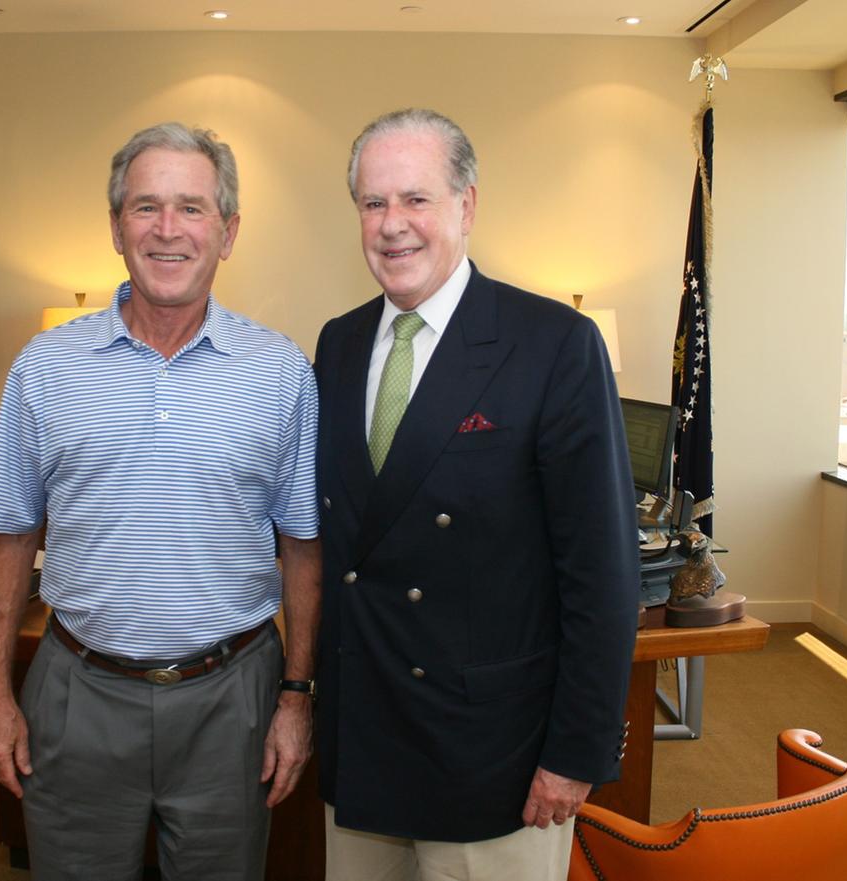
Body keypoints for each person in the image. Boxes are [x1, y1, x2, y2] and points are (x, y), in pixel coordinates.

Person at [0, 122, 321, 881]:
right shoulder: (46, 367)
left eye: (192, 209)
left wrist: (295, 698)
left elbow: (303, 545)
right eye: (146, 207)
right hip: (77, 694)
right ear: (115, 227)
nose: (169, 230)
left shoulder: (282, 371)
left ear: (228, 232)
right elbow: (8, 535)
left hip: (234, 698)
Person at [313, 108, 639, 881]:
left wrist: (576, 751)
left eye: (416, 199)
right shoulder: (339, 341)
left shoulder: (554, 344)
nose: (393, 225)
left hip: (496, 758)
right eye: (373, 202)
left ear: (467, 205)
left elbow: (602, 573)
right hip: (364, 738)